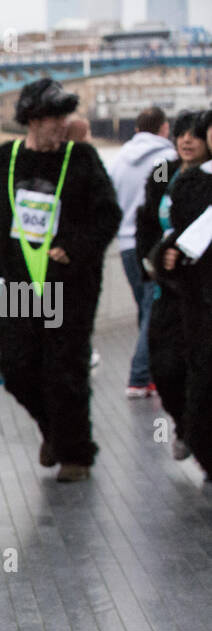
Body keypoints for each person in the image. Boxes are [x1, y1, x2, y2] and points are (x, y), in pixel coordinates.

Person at [0, 78, 122, 482]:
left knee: (66, 369)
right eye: (55, 117)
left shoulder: (83, 158)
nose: (63, 124)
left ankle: (76, 454)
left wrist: (73, 247)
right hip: (18, 286)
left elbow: (108, 215)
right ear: (33, 120)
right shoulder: (6, 158)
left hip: (68, 286)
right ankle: (54, 432)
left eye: (65, 116)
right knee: (17, 367)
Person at [137, 109, 209, 461]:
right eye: (180, 133)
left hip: (198, 288)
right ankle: (183, 424)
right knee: (163, 366)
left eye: (194, 134)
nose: (186, 140)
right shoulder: (165, 172)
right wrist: (149, 262)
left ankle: (199, 435)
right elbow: (147, 218)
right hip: (165, 285)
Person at [108, 106, 176, 398]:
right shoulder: (166, 159)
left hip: (125, 245)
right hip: (153, 242)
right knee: (153, 309)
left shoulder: (118, 160)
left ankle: (149, 375)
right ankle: (139, 376)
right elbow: (164, 198)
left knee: (144, 306)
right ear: (164, 129)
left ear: (136, 130)